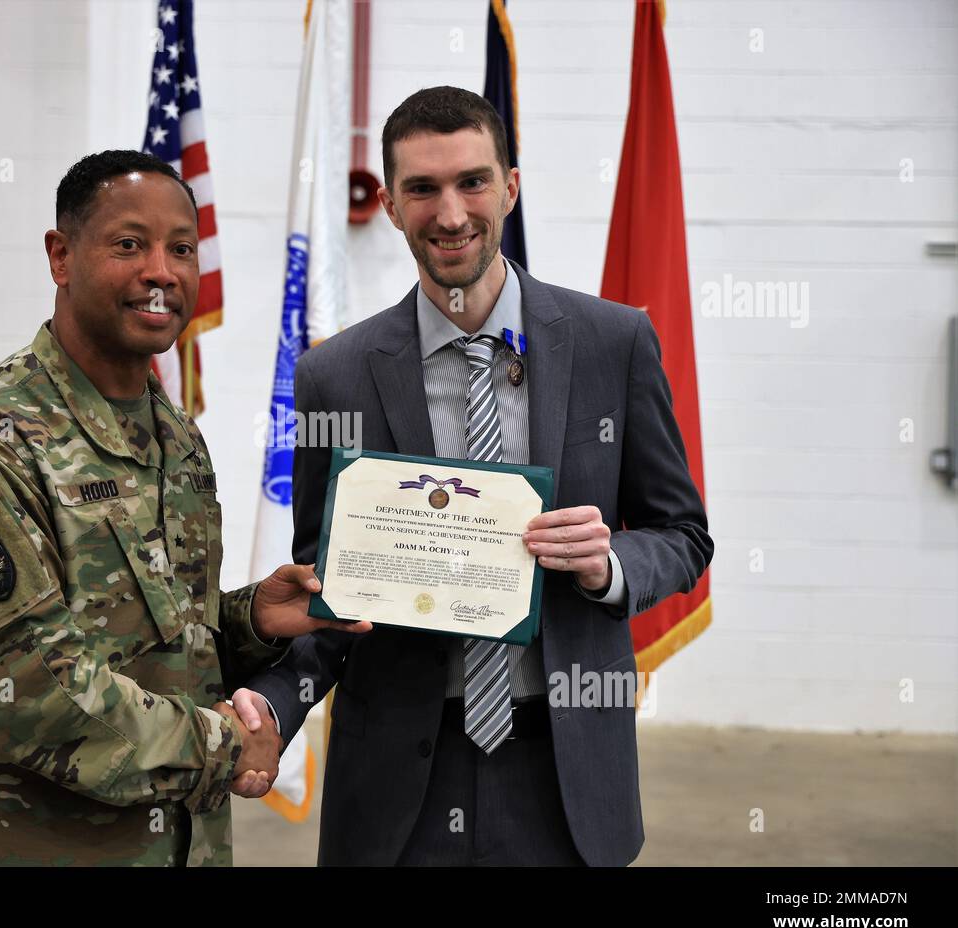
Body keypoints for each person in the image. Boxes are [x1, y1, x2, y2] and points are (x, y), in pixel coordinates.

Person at [234, 87, 713, 866]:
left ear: (511, 187)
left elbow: (684, 535)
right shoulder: (336, 376)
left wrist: (611, 565)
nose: (451, 214)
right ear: (390, 204)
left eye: (473, 183)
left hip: (563, 772)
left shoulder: (612, 343)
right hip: (398, 783)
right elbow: (333, 588)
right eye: (422, 188)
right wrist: (277, 701)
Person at [0, 149, 368, 867]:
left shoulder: (175, 439)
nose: (161, 272)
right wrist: (228, 745)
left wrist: (251, 620)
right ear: (61, 256)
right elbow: (26, 695)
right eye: (129, 244)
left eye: (181, 249)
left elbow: (160, 641)